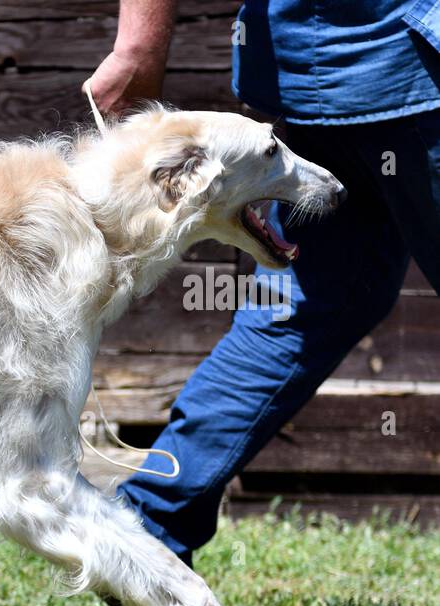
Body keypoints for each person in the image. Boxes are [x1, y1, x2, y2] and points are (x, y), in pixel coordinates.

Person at [87, 0, 440, 566]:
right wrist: (135, 46)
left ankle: (145, 528)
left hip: (308, 72)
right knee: (305, 302)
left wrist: (137, 45)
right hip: (417, 66)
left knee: (305, 305)